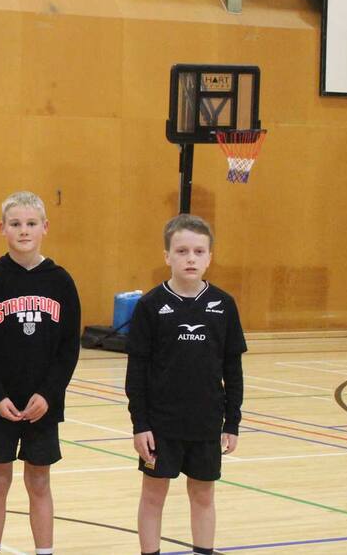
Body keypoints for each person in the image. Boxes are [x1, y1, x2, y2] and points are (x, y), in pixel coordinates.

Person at [0, 192, 81, 555]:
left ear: (45, 227)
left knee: (40, 482)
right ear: (2, 228)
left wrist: (49, 394)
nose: (23, 230)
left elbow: (68, 348)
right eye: (15, 224)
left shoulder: (60, 281)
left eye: (31, 224)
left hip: (42, 403)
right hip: (0, 402)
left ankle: (44, 551)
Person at [125, 214, 246, 555]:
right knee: (153, 495)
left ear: (209, 257)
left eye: (198, 251)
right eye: (181, 251)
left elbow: (232, 369)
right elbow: (137, 372)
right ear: (167, 256)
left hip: (206, 423)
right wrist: (140, 424)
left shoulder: (224, 305)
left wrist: (232, 422)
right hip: (161, 424)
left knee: (203, 494)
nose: (190, 258)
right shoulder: (150, 305)